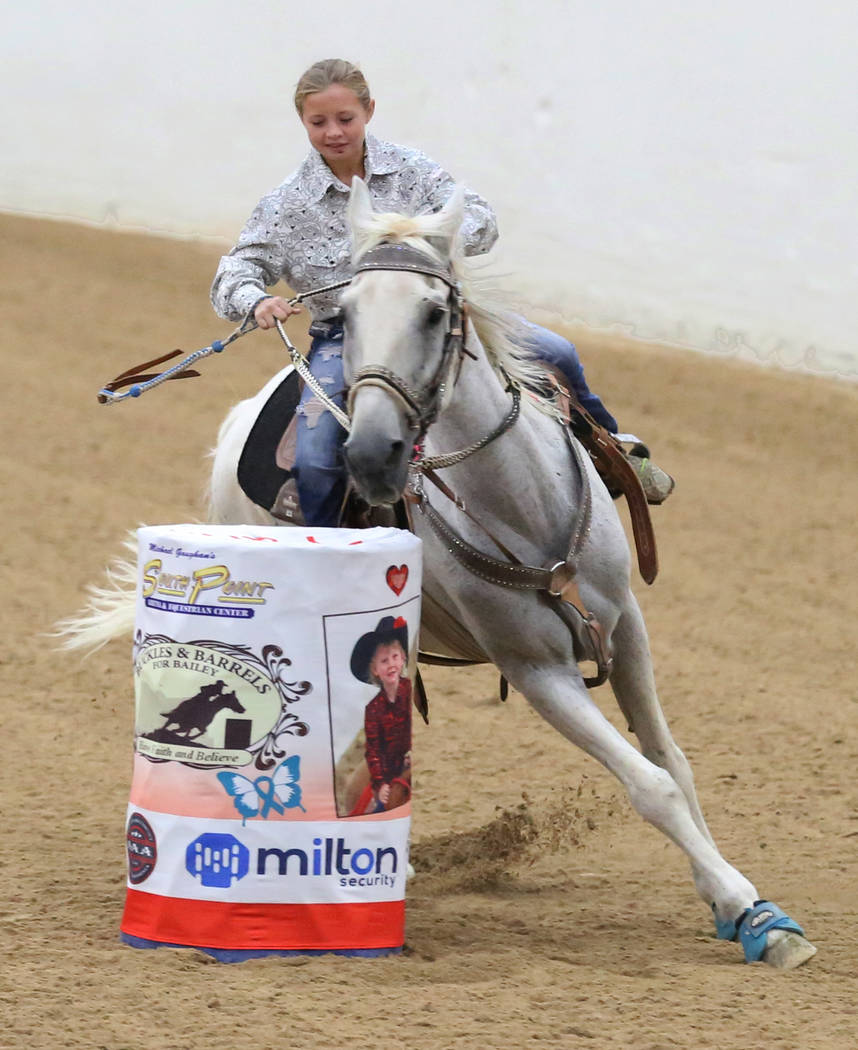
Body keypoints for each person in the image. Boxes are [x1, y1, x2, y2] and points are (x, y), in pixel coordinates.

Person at [211, 59, 673, 525]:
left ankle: (612, 454)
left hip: (436, 317)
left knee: (558, 352)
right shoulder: (287, 203)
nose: (334, 132)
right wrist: (255, 299)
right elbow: (237, 268)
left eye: (345, 119)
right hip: (346, 335)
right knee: (314, 455)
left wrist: (429, 238)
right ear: (303, 122)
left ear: (369, 111)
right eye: (319, 122)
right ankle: (328, 554)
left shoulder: (412, 170)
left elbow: (479, 218)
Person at [349, 615, 412, 812]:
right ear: (375, 670)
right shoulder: (375, 708)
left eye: (395, 657)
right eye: (384, 660)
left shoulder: (412, 691)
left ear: (403, 658)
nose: (391, 664)